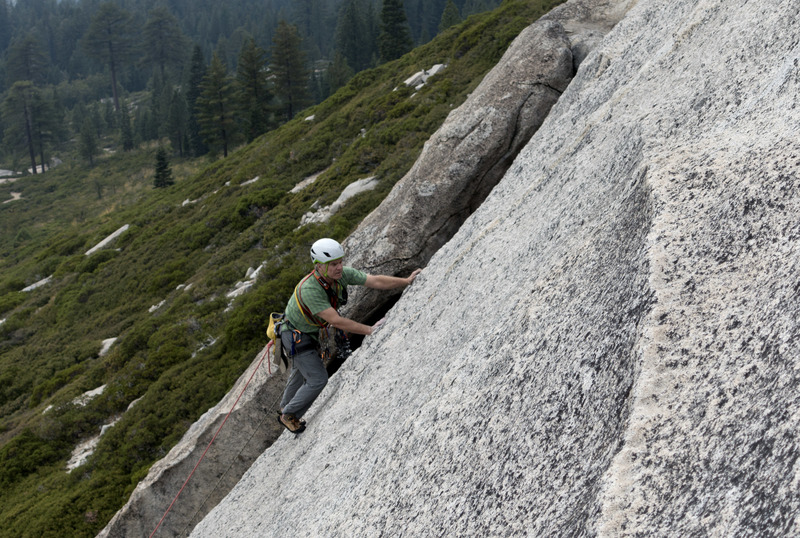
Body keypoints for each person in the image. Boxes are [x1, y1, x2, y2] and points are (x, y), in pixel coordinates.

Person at [277, 238, 422, 433]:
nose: (339, 267)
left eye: (340, 262)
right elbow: (336, 320)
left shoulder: (341, 276)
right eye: (333, 264)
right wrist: (369, 330)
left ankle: (285, 405)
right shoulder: (310, 290)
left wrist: (406, 281)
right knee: (317, 379)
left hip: (304, 333)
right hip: (295, 336)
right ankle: (288, 414)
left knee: (302, 370)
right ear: (319, 266)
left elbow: (375, 280)